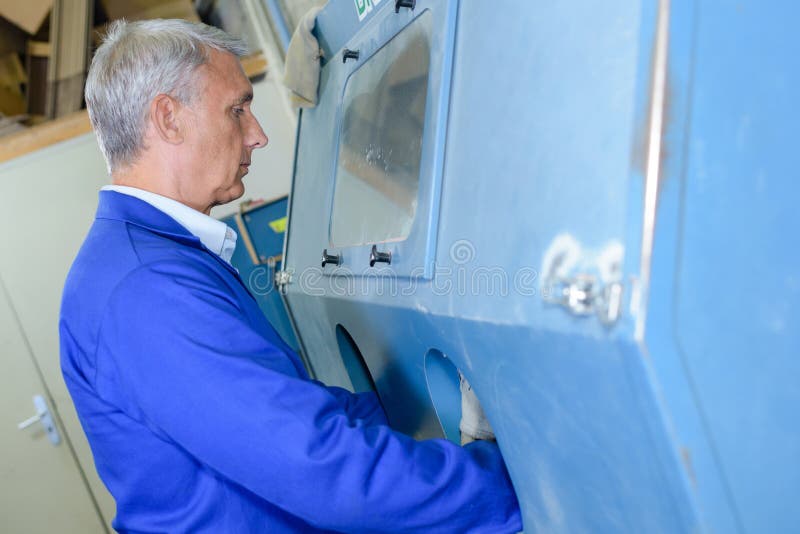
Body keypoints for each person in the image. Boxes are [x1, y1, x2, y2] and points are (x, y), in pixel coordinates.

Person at [60, 19, 522, 533]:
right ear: (168, 118)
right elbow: (318, 466)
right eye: (237, 109)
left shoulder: (153, 258)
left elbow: (286, 412)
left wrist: (408, 411)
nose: (257, 136)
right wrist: (507, 480)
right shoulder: (145, 289)